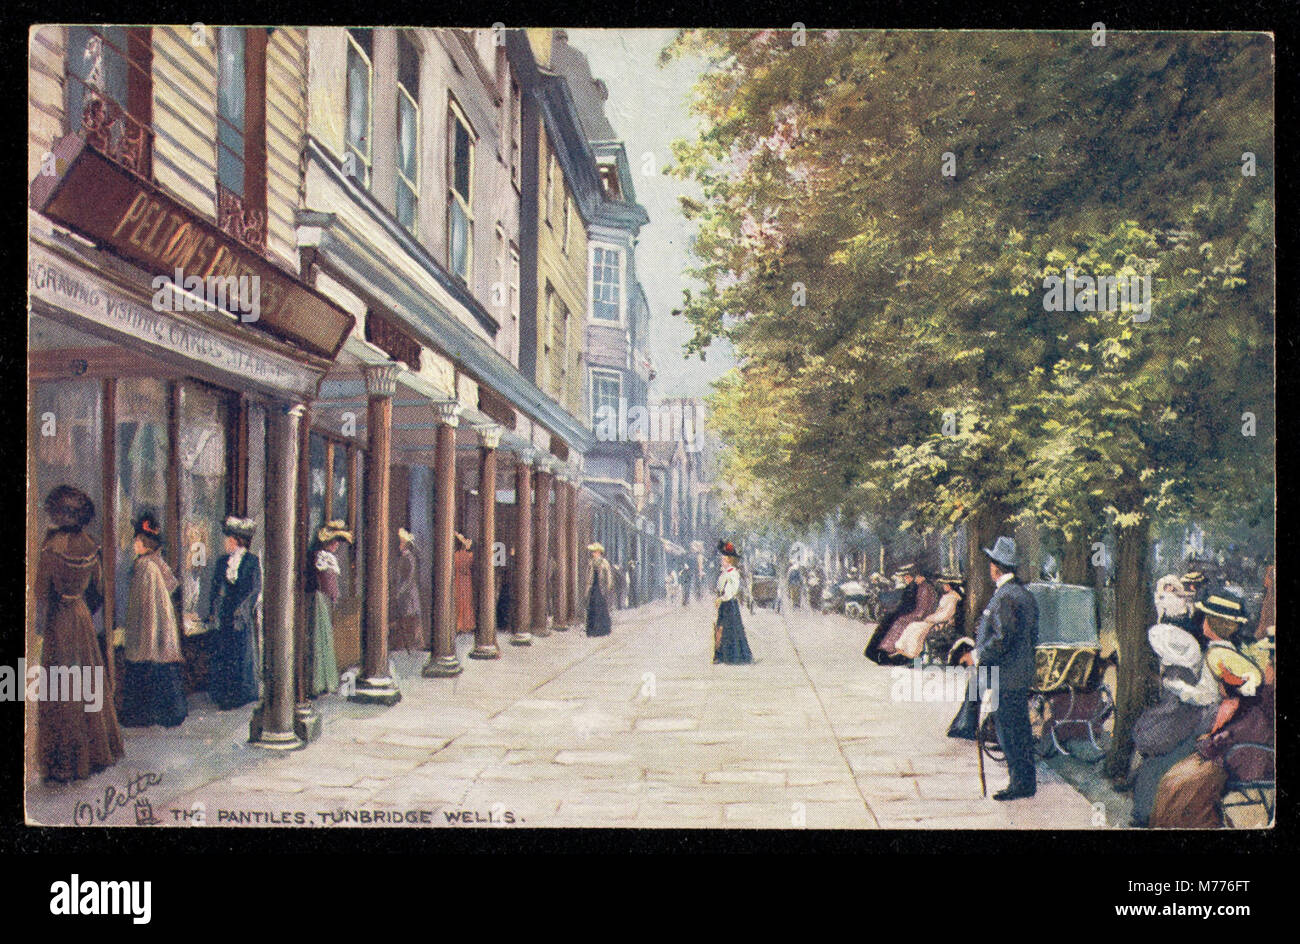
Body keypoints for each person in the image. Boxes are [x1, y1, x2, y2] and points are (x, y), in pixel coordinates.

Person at [1150, 589, 1272, 828]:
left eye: (1206, 618)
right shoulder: (1227, 655)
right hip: (1227, 737)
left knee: (1175, 779)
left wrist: (1176, 687)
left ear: (1212, 623)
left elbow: (1213, 698)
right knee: (1173, 779)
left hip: (1236, 750)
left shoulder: (1218, 656)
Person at [35, 486, 124, 782]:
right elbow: (98, 593)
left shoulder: (50, 549)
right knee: (85, 681)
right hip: (82, 619)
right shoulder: (90, 546)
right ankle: (95, 753)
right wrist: (81, 603)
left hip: (59, 620)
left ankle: (64, 761)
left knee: (62, 686)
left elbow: (39, 592)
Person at [959, 536, 1039, 800]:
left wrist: (977, 655)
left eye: (991, 563)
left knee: (1010, 731)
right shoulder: (1022, 594)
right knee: (1018, 729)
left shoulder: (1006, 596)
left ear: (996, 567)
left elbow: (1003, 638)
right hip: (1017, 673)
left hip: (1008, 675)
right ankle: (1024, 781)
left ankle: (1020, 784)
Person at [1128, 624, 1220, 827]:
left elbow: (1172, 720)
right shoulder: (1184, 676)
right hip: (1182, 731)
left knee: (1155, 766)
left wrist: (1145, 732)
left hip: (1181, 736)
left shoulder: (1178, 680)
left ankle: (1145, 814)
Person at [120, 510, 188, 728]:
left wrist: (145, 637)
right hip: (157, 628)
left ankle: (147, 715)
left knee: (147, 667)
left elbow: (148, 607)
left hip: (150, 630)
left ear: (145, 543)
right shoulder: (153, 564)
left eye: (137, 541)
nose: (134, 544)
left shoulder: (146, 567)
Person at [206, 515, 262, 711]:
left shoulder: (251, 561)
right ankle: (224, 693)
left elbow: (254, 590)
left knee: (241, 653)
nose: (225, 542)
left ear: (237, 540)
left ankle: (242, 693)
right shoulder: (223, 562)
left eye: (228, 539)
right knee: (224, 653)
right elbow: (215, 588)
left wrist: (242, 610)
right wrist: (214, 611)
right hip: (225, 613)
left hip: (241, 615)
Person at [309, 520, 352, 696]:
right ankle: (321, 681)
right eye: (334, 541)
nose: (336, 545)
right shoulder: (323, 557)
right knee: (321, 637)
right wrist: (334, 596)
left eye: (338, 542)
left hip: (324, 599)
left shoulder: (325, 556)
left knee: (325, 637)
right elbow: (328, 583)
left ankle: (326, 680)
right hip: (320, 598)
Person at [874, 565, 940, 663]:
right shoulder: (922, 587)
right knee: (898, 622)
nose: (915, 579)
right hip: (921, 615)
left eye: (917, 577)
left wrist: (911, 616)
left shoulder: (925, 589)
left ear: (923, 577)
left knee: (900, 623)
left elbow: (922, 609)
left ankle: (892, 650)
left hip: (923, 617)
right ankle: (890, 650)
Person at [894, 573, 964, 661]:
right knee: (912, 626)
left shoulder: (953, 598)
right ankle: (903, 649)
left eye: (945, 585)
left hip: (940, 624)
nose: (944, 586)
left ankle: (913, 654)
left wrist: (931, 618)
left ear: (950, 586)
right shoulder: (948, 596)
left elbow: (946, 614)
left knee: (917, 628)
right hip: (935, 620)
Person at [864, 564, 920, 663]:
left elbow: (908, 604)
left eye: (905, 576)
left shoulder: (912, 588)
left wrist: (895, 611)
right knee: (885, 622)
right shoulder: (909, 587)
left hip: (907, 613)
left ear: (909, 576)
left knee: (887, 622)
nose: (904, 578)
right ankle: (874, 652)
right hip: (903, 611)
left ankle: (877, 652)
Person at [713, 540, 754, 664]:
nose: (721, 560)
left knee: (730, 629)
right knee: (719, 628)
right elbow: (719, 587)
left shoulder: (733, 573)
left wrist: (722, 598)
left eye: (723, 558)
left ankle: (731, 656)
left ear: (729, 560)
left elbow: (732, 591)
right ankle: (719, 655)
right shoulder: (725, 573)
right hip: (724, 604)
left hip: (730, 604)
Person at [390, 528, 423, 651]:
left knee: (411, 618)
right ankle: (406, 645)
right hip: (404, 593)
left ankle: (413, 644)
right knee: (405, 618)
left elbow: (409, 579)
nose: (400, 545)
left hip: (409, 594)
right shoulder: (403, 558)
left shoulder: (409, 558)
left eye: (401, 543)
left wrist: (399, 592)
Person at [585, 542, 615, 637]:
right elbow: (588, 577)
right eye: (592, 552)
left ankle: (602, 630)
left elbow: (609, 577)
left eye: (594, 552)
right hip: (593, 588)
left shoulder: (604, 563)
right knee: (592, 608)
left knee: (601, 609)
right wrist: (587, 588)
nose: (592, 553)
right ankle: (592, 631)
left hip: (601, 588)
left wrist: (608, 588)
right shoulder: (590, 562)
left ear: (599, 552)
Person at [454, 532, 475, 634]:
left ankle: (463, 625)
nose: (469, 544)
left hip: (462, 580)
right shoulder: (468, 555)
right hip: (463, 580)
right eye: (468, 542)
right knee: (462, 602)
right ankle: (463, 625)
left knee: (464, 602)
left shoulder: (457, 555)